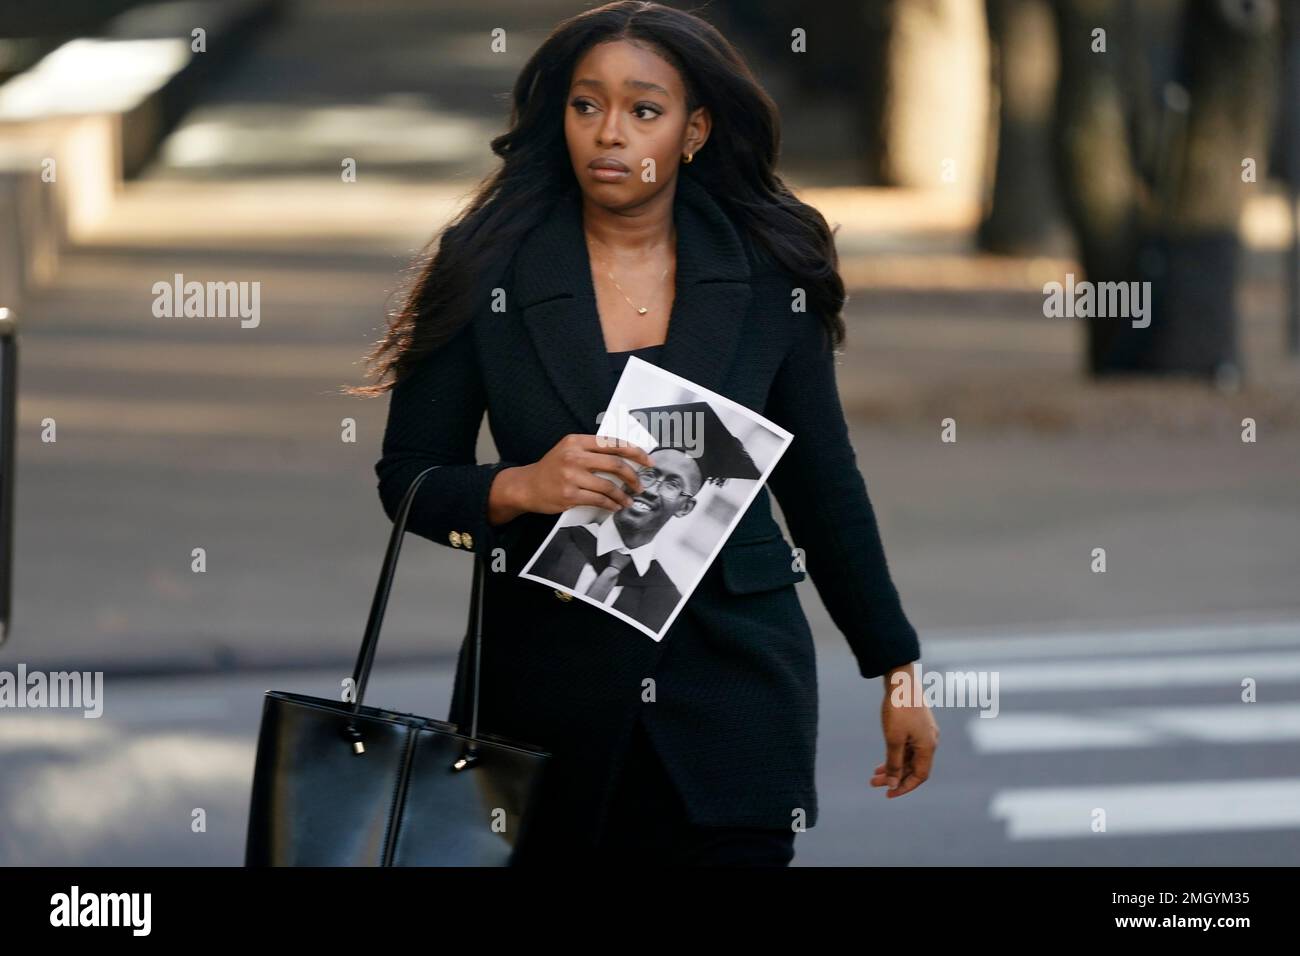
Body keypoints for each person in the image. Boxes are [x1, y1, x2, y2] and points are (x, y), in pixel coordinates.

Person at [348, 0, 939, 866]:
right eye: (586, 106)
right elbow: (407, 477)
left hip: (736, 692)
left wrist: (896, 670)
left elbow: (825, 490)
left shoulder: (771, 267)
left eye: (643, 110)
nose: (609, 134)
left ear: (695, 130)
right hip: (543, 697)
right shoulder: (488, 269)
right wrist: (516, 487)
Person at [529, 401, 762, 633]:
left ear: (685, 507)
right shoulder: (549, 542)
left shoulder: (666, 602)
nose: (650, 490)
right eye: (649, 475)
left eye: (672, 484)